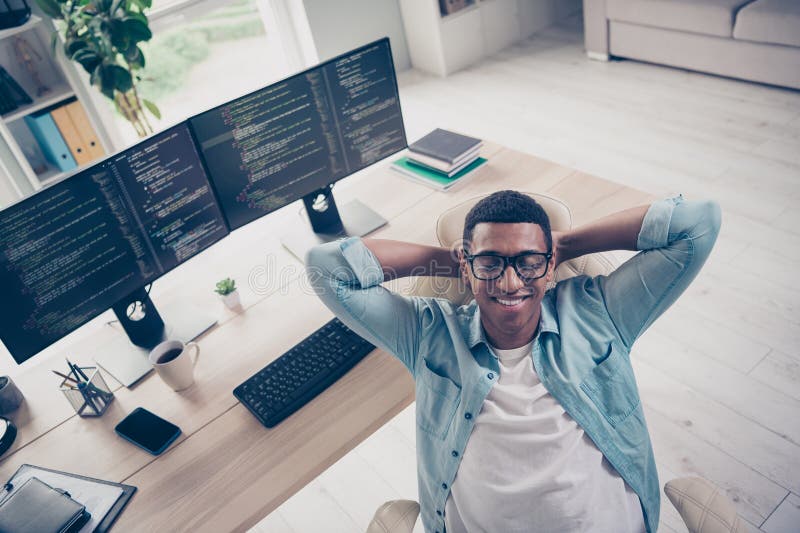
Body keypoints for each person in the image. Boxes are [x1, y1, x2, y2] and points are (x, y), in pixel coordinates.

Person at [306, 191, 721, 533]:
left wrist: (569, 244)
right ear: (466, 267)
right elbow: (325, 270)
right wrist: (460, 262)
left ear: (549, 267)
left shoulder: (600, 312)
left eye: (528, 262)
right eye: (491, 263)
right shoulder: (428, 334)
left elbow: (698, 222)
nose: (509, 283)